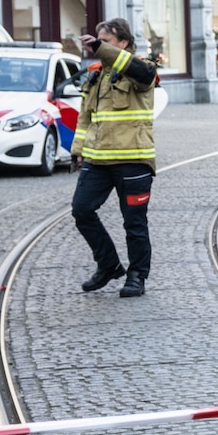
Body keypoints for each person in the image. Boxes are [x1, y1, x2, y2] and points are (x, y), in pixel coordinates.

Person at [70, 19, 158, 299]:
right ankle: (108, 265)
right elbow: (86, 119)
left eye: (105, 41)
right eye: (98, 40)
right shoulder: (96, 75)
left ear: (123, 44)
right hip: (98, 162)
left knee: (134, 222)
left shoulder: (141, 70)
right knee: (81, 210)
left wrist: (101, 49)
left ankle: (136, 276)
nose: (99, 46)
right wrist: (78, 151)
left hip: (133, 161)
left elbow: (140, 73)